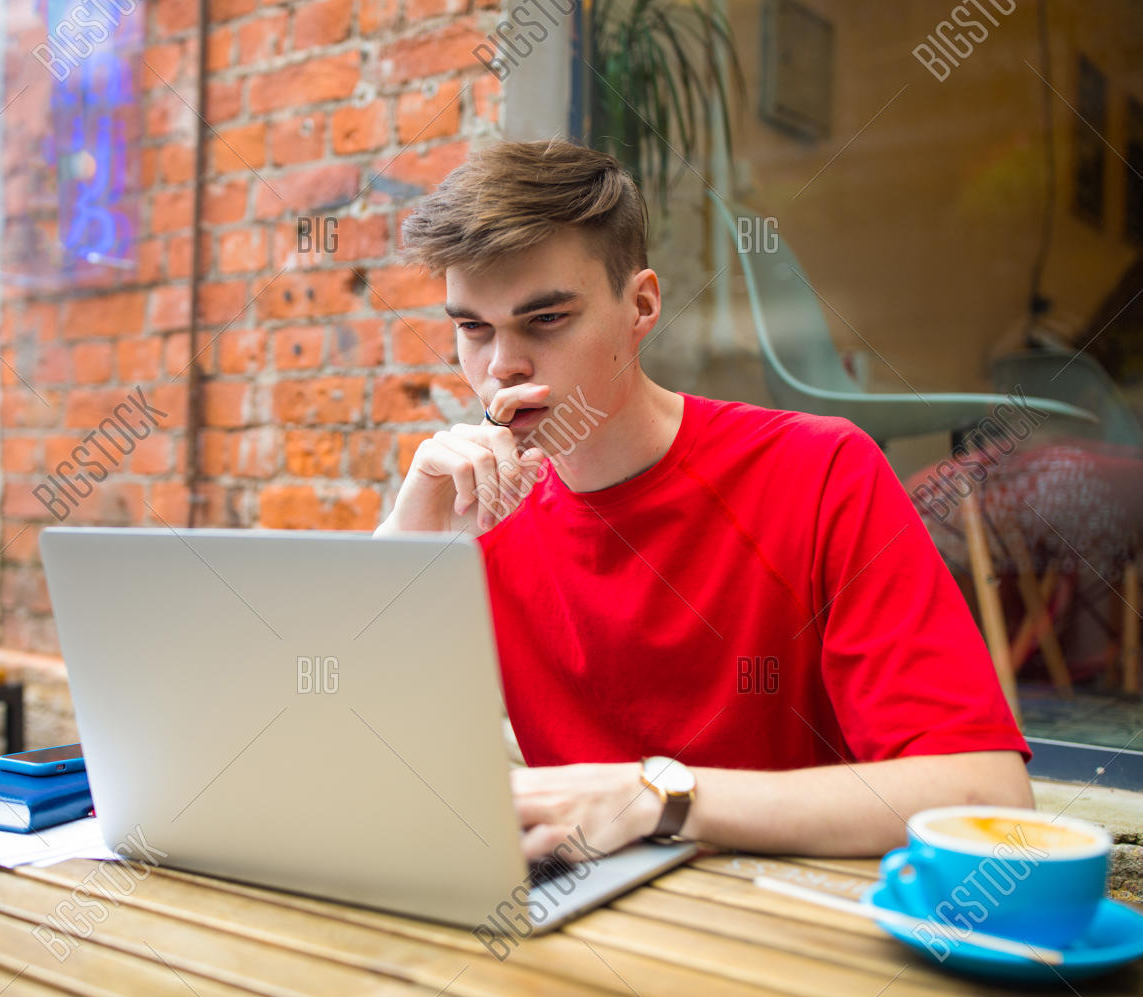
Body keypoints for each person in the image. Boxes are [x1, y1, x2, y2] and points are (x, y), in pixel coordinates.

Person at [374, 138, 1033, 860]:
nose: (501, 366)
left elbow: (987, 794)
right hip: (569, 919)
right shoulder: (474, 515)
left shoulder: (819, 469)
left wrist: (657, 797)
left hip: (788, 917)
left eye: (547, 319)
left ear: (642, 305)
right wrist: (412, 541)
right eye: (472, 328)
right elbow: (357, 778)